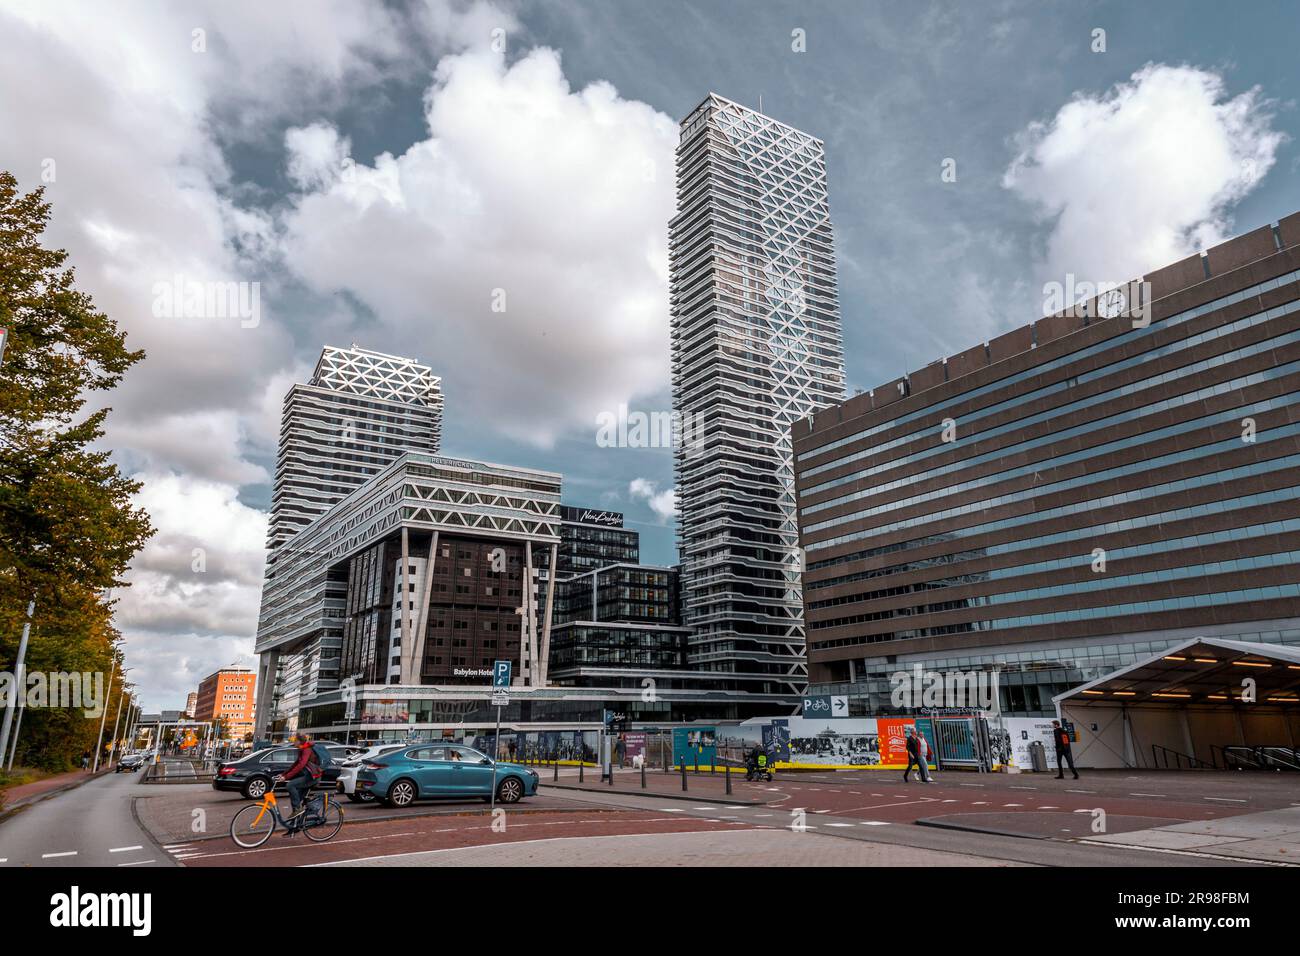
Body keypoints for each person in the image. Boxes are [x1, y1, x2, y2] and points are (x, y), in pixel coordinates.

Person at [279, 733, 322, 829]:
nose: (294, 742)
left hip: (312, 777)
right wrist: (283, 774)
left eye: (295, 740)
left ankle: (297, 811)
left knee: (290, 785)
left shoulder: (306, 750)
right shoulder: (302, 749)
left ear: (299, 741)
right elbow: (295, 764)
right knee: (297, 799)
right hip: (308, 776)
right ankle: (296, 824)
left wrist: (286, 778)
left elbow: (301, 765)